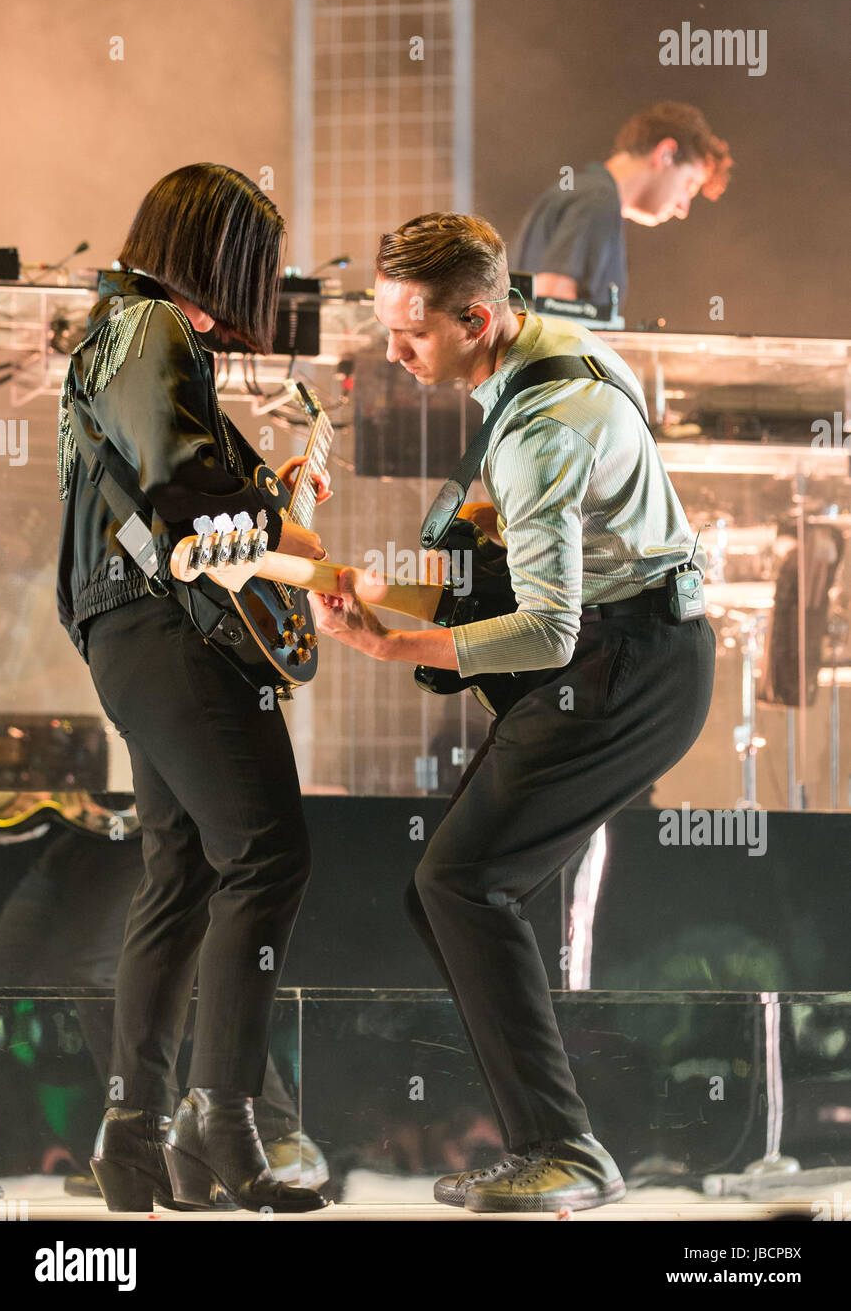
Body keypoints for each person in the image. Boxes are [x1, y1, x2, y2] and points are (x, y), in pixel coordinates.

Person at [308, 212, 717, 1213]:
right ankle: (551, 1140)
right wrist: (412, 584)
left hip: (628, 666)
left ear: (479, 315)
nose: (391, 353)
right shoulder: (549, 348)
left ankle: (566, 1151)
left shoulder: (540, 428)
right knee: (449, 889)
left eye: (409, 334)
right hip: (630, 647)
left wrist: (394, 642)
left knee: (461, 885)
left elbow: (543, 633)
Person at [55, 163, 330, 1214]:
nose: (250, 293)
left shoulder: (112, 334)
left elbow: (170, 482)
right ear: (212, 255)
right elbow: (180, 488)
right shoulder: (154, 331)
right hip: (160, 626)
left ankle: (136, 1140)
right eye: (249, 264)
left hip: (124, 628)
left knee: (179, 874)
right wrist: (286, 525)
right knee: (269, 851)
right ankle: (221, 1115)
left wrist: (269, 485)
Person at [508, 101, 732, 308]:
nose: (683, 209)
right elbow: (553, 304)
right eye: (688, 187)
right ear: (666, 154)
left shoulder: (586, 193)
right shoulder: (598, 201)